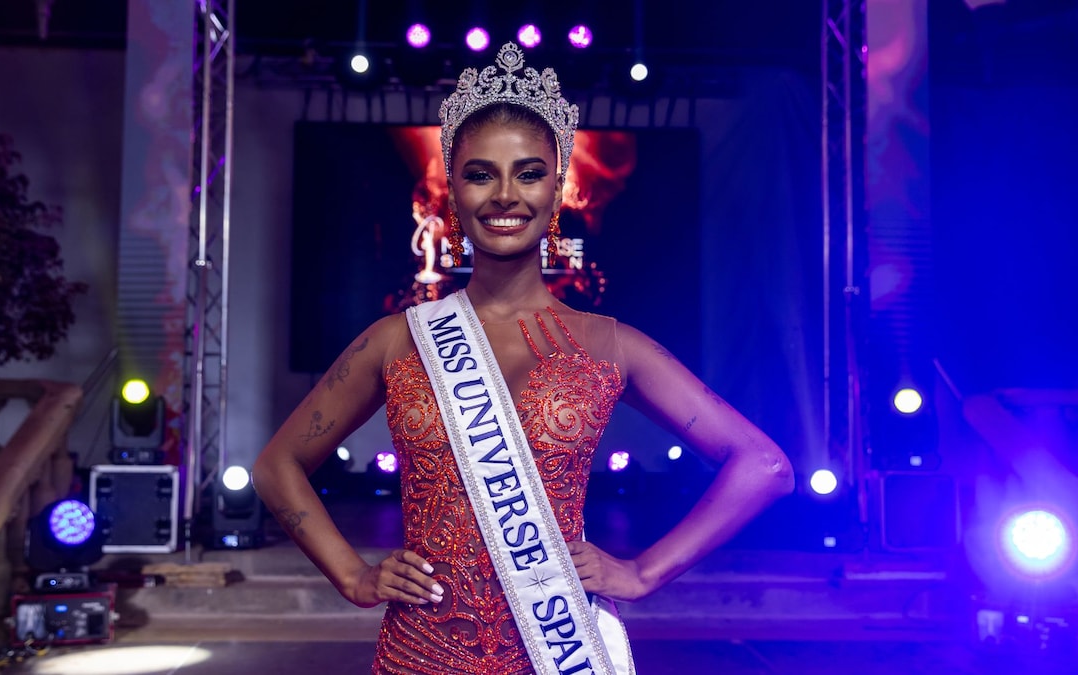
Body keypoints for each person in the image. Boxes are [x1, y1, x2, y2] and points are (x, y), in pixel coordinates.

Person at [252, 42, 795, 675]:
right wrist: (352, 576)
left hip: (554, 648)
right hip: (420, 651)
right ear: (451, 188)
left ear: (558, 187)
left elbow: (764, 466)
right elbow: (276, 466)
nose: (505, 195)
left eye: (529, 173)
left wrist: (644, 572)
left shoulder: (607, 343)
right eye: (481, 173)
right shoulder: (396, 340)